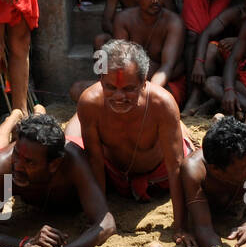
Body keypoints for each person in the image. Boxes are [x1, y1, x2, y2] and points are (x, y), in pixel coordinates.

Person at [66, 40, 194, 230]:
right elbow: (95, 161)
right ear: (100, 80)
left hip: (160, 177)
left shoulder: (162, 103)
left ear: (143, 83)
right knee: (69, 145)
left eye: (128, 89)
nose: (119, 97)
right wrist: (99, 218)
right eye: (110, 87)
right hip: (116, 175)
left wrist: (180, 226)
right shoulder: (90, 102)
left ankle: (180, 127)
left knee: (189, 162)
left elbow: (175, 166)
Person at [0, 113, 115, 247]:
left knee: (76, 126)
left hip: (76, 145)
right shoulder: (4, 163)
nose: (17, 166)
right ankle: (14, 117)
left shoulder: (74, 161)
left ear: (54, 164)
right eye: (16, 154)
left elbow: (106, 224)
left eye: (29, 162)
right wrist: (26, 243)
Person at [181, 116, 246, 247]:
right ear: (215, 170)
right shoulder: (195, 171)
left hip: (235, 202)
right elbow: (202, 226)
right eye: (243, 168)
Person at [108, 0, 186, 106]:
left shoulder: (174, 23)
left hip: (165, 84)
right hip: (132, 83)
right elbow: (122, 62)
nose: (155, 0)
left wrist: (146, 93)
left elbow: (167, 66)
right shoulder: (123, 19)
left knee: (160, 102)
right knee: (77, 89)